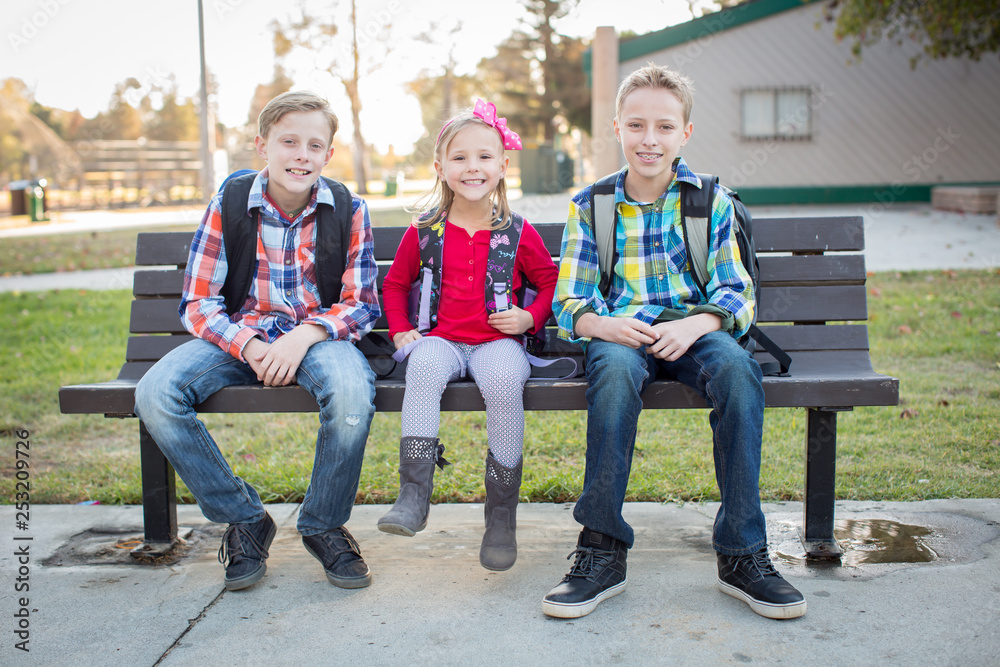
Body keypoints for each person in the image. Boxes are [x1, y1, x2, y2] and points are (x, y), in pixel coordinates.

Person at [541, 64, 806, 619]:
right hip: (620, 333)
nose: (649, 139)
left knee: (737, 372)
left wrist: (696, 324)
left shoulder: (712, 202)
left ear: (684, 133)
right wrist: (601, 325)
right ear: (617, 128)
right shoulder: (591, 206)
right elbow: (568, 302)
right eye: (636, 125)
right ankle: (602, 550)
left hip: (694, 329)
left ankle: (742, 552)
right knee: (612, 375)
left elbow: (736, 291)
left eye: (664, 127)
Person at [135, 91, 380, 592]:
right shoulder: (229, 203)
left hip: (316, 339)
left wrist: (302, 337)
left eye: (314, 145)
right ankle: (244, 518)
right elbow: (199, 302)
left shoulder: (349, 209)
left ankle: (323, 524)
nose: (301, 155)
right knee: (155, 394)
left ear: (328, 154)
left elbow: (360, 304)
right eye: (288, 141)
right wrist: (247, 343)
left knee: (352, 392)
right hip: (238, 334)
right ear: (262, 145)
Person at [377, 99, 557, 572]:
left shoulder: (517, 232)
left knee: (502, 383)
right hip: (442, 338)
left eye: (484, 157)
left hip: (499, 343)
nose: (472, 167)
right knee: (424, 364)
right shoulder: (426, 231)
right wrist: (400, 331)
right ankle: (414, 493)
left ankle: (501, 516)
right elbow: (395, 283)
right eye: (459, 158)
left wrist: (529, 318)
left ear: (502, 166)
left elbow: (550, 282)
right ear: (440, 167)